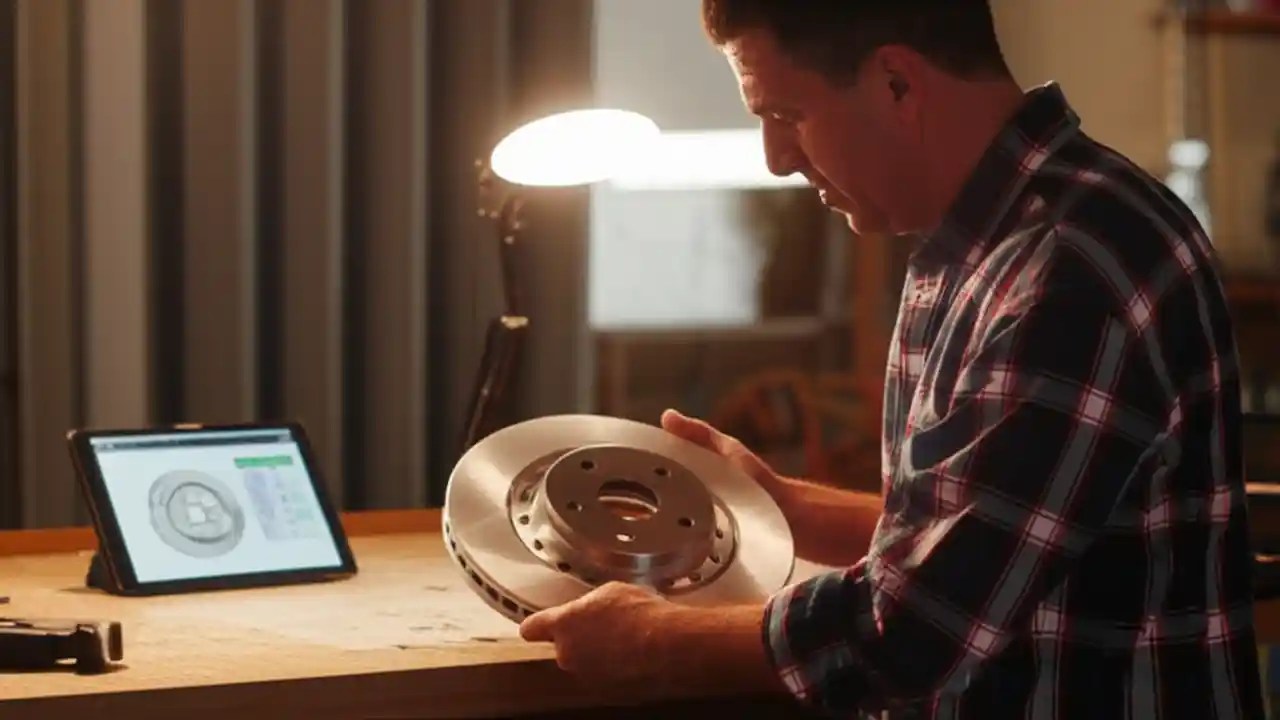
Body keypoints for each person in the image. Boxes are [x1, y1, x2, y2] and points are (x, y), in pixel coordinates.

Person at [519, 2, 1267, 717]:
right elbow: (973, 541)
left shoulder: (1071, 271)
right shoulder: (988, 242)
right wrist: (782, 507)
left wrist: (652, 640)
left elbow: (912, 629)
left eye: (786, 116)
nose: (777, 161)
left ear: (897, 83)